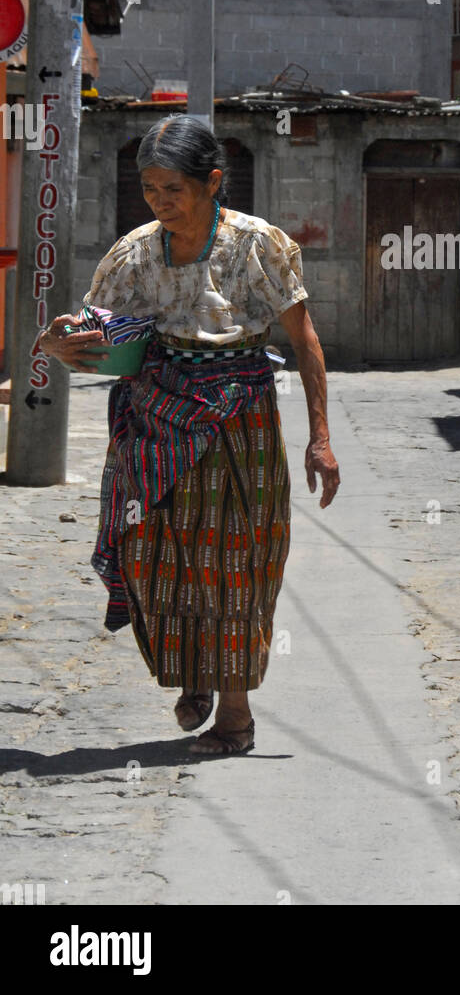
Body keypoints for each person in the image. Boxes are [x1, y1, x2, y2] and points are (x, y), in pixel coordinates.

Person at [37, 116, 340, 755]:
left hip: (240, 418)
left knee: (238, 563)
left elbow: (304, 340)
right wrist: (63, 342)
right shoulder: (135, 251)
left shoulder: (259, 245)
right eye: (149, 188)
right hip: (153, 417)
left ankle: (234, 716)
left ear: (212, 183)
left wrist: (319, 437)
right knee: (153, 553)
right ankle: (194, 671)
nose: (160, 201)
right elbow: (101, 336)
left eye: (173, 187)